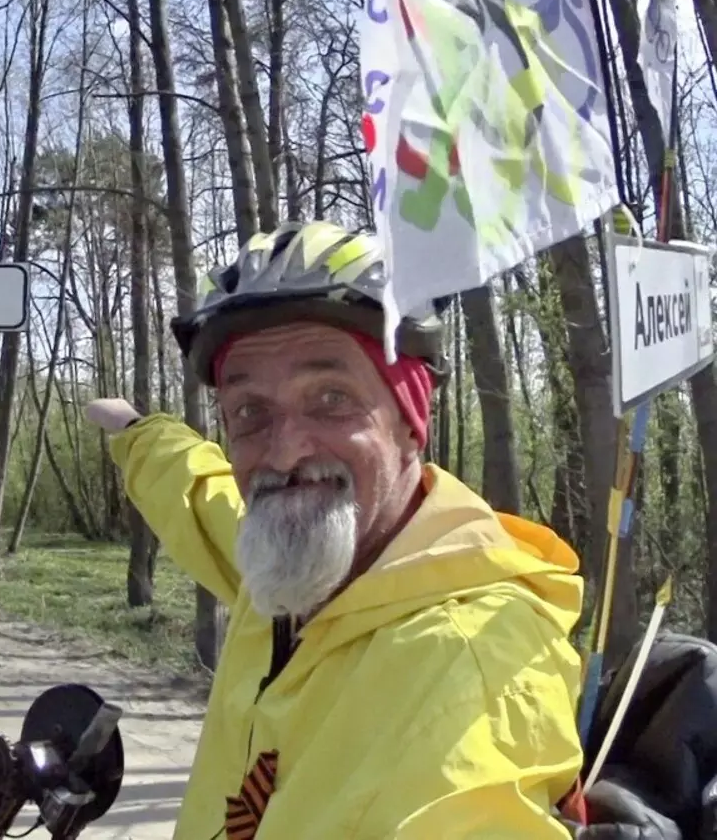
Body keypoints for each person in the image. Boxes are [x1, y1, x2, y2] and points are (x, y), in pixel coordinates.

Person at [85, 220, 587, 839]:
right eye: (250, 412)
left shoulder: (465, 666)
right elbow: (201, 498)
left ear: (410, 421)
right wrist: (137, 435)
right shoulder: (287, 568)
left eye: (330, 399)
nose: (285, 452)